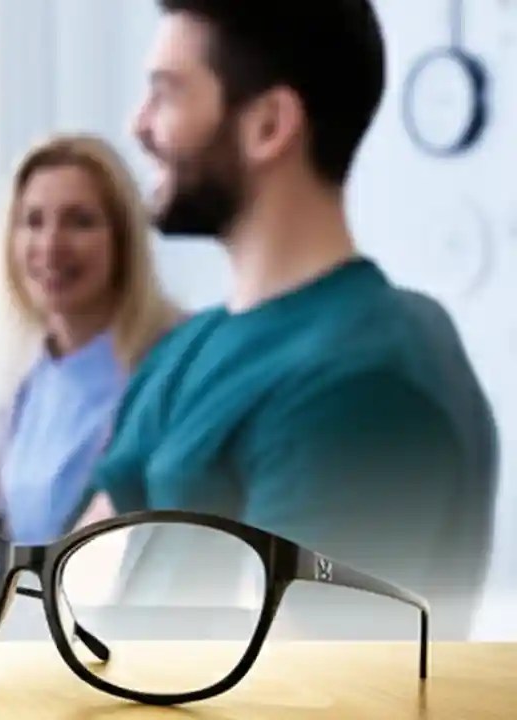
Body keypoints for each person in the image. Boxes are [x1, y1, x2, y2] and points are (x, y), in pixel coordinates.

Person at [85, 0, 498, 640]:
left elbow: (312, 693)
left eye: (166, 94)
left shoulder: (365, 384)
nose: (137, 125)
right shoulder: (187, 349)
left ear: (269, 125)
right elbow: (68, 585)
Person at [0, 134, 181, 545]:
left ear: (123, 239)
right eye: (34, 221)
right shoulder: (27, 385)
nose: (51, 246)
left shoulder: (170, 368)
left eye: (80, 221)